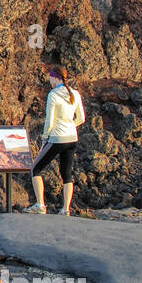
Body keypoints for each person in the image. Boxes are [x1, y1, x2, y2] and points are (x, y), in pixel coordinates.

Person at [25, 65, 85, 216]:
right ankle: (65, 209)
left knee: (35, 169)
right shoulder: (75, 94)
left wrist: (45, 137)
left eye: (50, 77)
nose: (49, 80)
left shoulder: (53, 94)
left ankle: (40, 205)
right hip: (72, 138)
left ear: (56, 78)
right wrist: (70, 125)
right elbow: (81, 118)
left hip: (57, 138)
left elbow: (49, 121)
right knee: (67, 173)